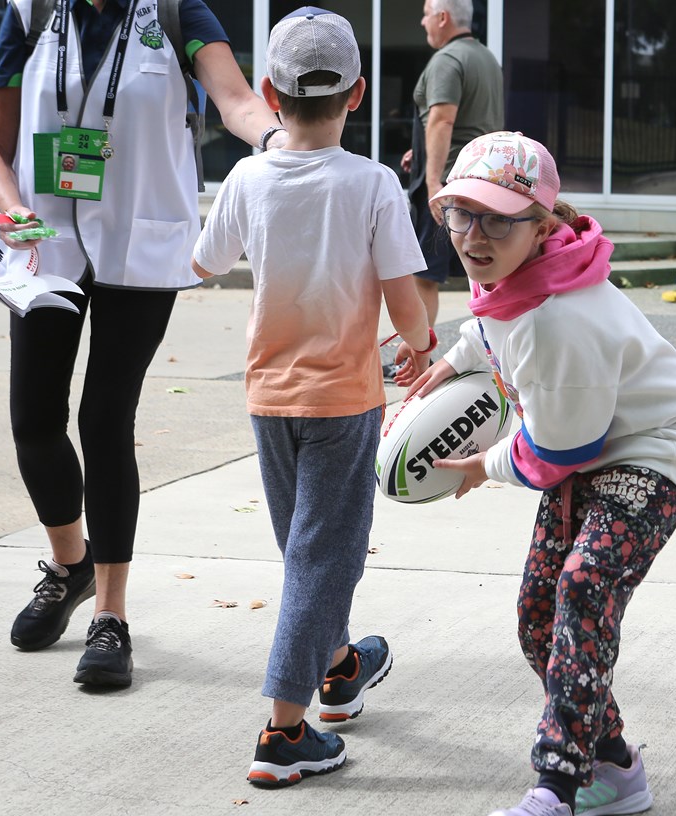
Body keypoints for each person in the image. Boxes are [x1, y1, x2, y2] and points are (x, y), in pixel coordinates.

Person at [403, 131, 676, 816]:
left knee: (583, 584)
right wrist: (456, 357)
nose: (474, 236)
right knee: (538, 616)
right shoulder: (509, 271)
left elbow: (558, 453)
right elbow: (490, 320)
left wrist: (482, 466)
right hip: (586, 442)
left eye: (498, 220)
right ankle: (616, 766)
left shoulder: (559, 320)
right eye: (462, 213)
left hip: (655, 451)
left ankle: (557, 785)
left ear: (542, 227)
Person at [0, 0, 288, 688]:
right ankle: (71, 565)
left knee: (105, 419)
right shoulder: (30, 13)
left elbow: (236, 99)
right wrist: (11, 206)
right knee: (33, 421)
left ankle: (110, 616)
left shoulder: (175, 12)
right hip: (44, 246)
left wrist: (276, 142)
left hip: (142, 247)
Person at [190, 7, 433, 787]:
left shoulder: (247, 178)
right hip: (343, 402)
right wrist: (423, 345)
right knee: (323, 557)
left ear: (269, 92)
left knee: (306, 549)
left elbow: (205, 262)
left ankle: (339, 666)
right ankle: (284, 732)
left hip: (267, 398)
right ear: (357, 95)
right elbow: (405, 303)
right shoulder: (374, 184)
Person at [389, 0, 502, 383]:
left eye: (426, 13)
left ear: (443, 17)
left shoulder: (446, 60)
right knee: (486, 269)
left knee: (424, 275)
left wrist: (434, 181)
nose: (422, 21)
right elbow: (471, 119)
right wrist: (419, 152)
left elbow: (442, 119)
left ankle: (417, 362)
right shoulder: (485, 58)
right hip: (483, 177)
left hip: (451, 183)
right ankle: (495, 355)